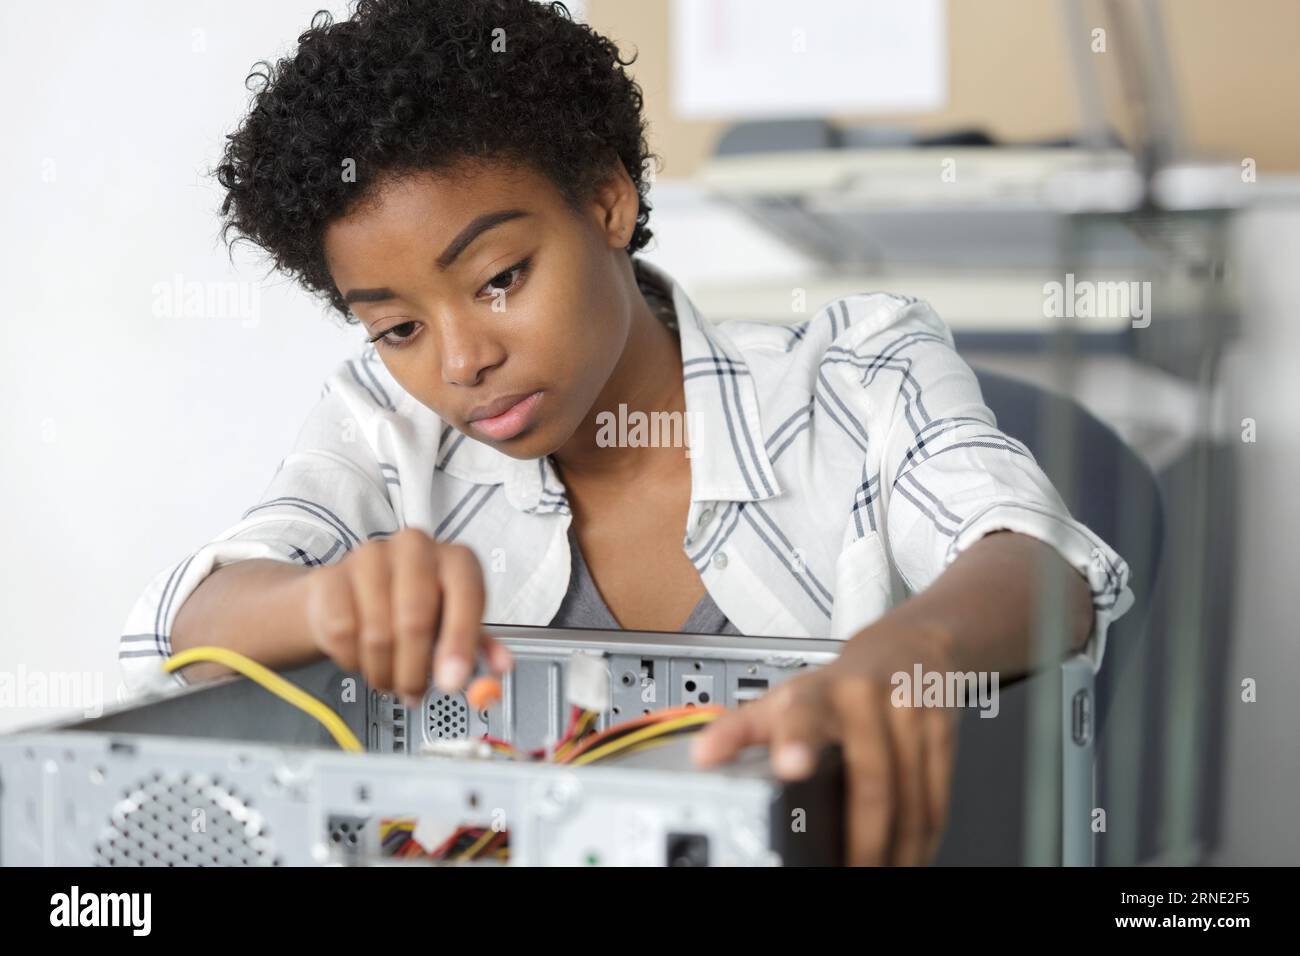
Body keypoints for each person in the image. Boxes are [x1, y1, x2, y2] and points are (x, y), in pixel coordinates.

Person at [118, 0, 1133, 865]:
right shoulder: (382, 427)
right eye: (399, 326)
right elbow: (190, 622)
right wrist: (323, 599)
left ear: (607, 199)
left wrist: (896, 653)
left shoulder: (861, 372)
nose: (460, 360)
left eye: (499, 278)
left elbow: (1038, 567)